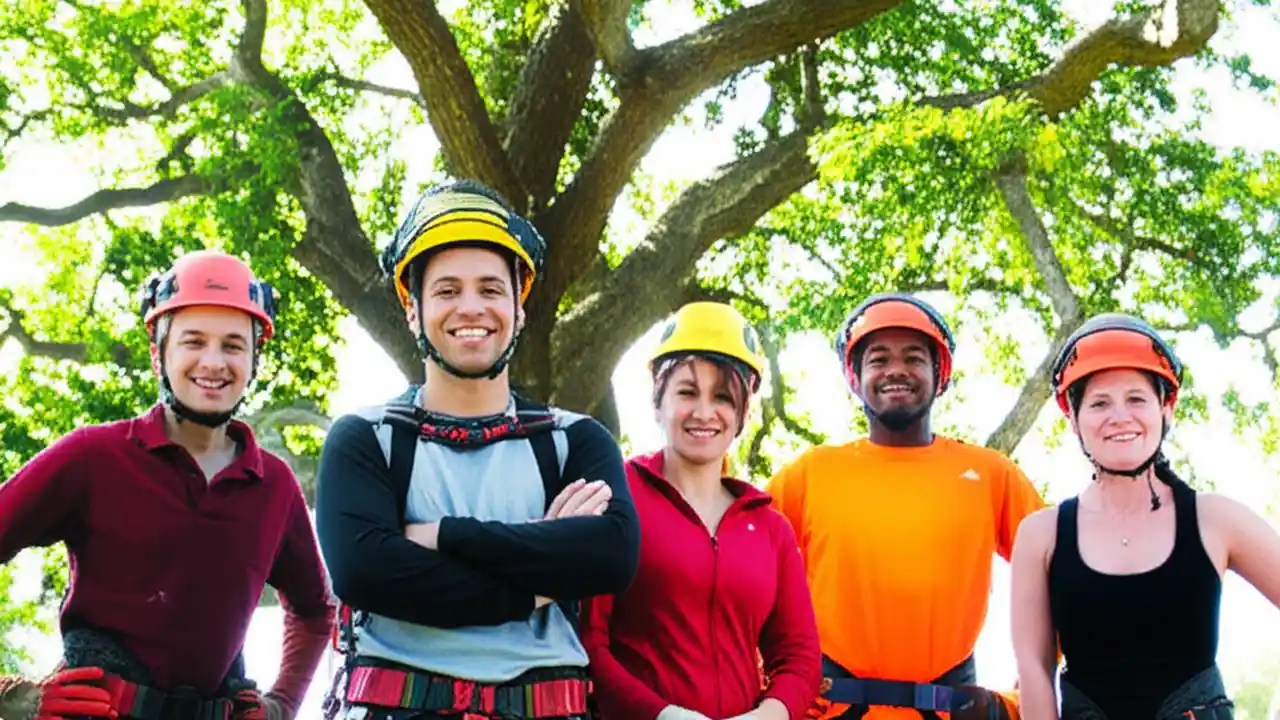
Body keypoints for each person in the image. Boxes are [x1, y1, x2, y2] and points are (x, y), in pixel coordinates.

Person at [314, 179, 641, 720]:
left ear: (519, 306)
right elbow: (367, 573)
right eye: (447, 291)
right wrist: (544, 575)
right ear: (413, 309)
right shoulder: (365, 438)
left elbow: (611, 557)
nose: (471, 308)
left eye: (491, 289)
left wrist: (442, 535)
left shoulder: (576, 441)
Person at [0, 249, 336, 720]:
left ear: (254, 358)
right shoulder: (93, 457)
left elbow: (314, 611)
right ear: (159, 354)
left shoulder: (274, 486)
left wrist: (281, 706)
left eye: (233, 345)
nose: (213, 362)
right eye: (193, 341)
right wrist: (9, 696)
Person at [766, 292, 1043, 720]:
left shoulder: (991, 475)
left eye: (914, 358)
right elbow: (737, 573)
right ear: (856, 378)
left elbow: (1063, 573)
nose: (896, 369)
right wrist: (771, 685)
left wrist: (1023, 697)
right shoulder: (809, 474)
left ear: (939, 375)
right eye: (878, 359)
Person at [1010, 313, 1280, 719]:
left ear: (1166, 409)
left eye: (1136, 399)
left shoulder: (1217, 520)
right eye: (1099, 403)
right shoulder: (1041, 534)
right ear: (1074, 421)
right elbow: (1033, 668)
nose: (1120, 417)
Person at [581, 301, 822, 720]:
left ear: (743, 413)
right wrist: (664, 716)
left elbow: (799, 655)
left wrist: (768, 715)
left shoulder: (770, 529)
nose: (704, 413)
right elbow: (588, 641)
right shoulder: (614, 499)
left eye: (723, 397)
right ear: (658, 401)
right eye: (687, 392)